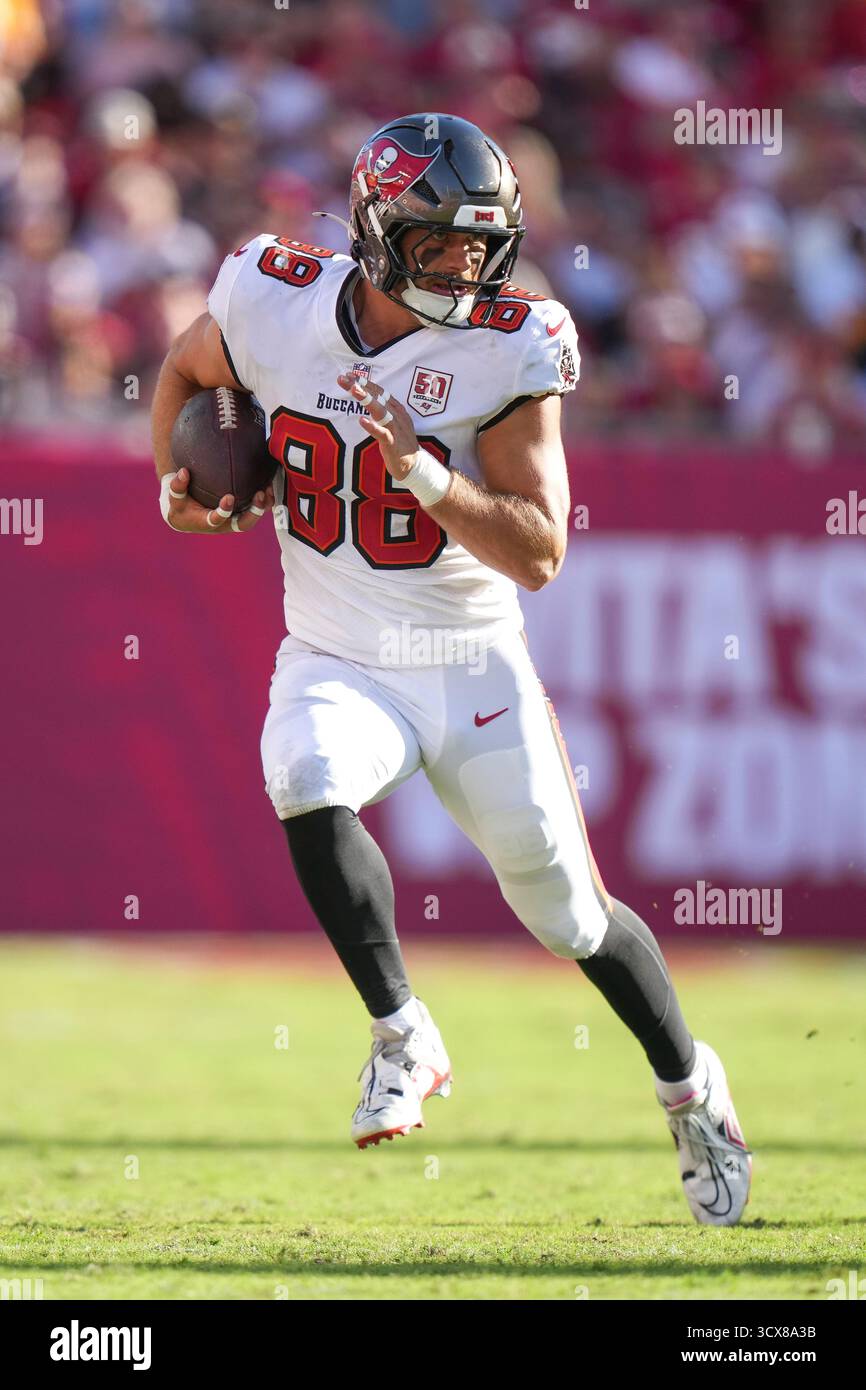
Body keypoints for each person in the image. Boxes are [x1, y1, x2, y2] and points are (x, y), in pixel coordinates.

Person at [151, 113, 751, 1225]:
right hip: (338, 648)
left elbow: (539, 550)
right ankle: (400, 1033)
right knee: (304, 768)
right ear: (379, 230)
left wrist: (428, 479)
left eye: (481, 247)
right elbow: (187, 372)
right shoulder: (268, 295)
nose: (463, 269)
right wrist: (175, 489)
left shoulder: (511, 344)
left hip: (468, 662)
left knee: (570, 915)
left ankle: (688, 1087)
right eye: (438, 245)